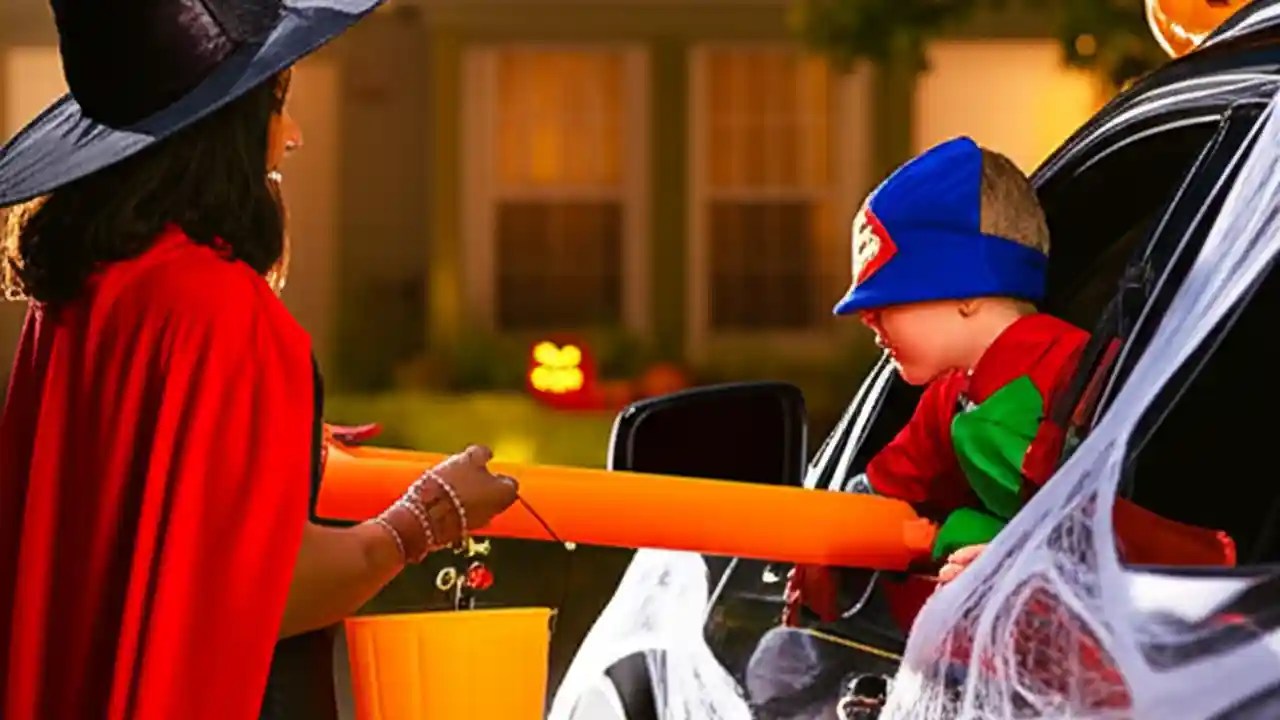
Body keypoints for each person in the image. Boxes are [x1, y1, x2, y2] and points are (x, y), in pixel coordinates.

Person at [0, 2, 518, 719]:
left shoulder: (83, 290)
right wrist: (431, 515)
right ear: (226, 128)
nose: (295, 135)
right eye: (279, 104)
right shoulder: (223, 310)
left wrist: (276, 443)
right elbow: (259, 595)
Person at [782, 137, 1235, 633]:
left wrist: (1028, 570)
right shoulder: (949, 396)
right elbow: (882, 494)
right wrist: (827, 547)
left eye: (888, 297)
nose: (868, 319)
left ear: (964, 290)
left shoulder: (1084, 379)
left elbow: (1141, 537)